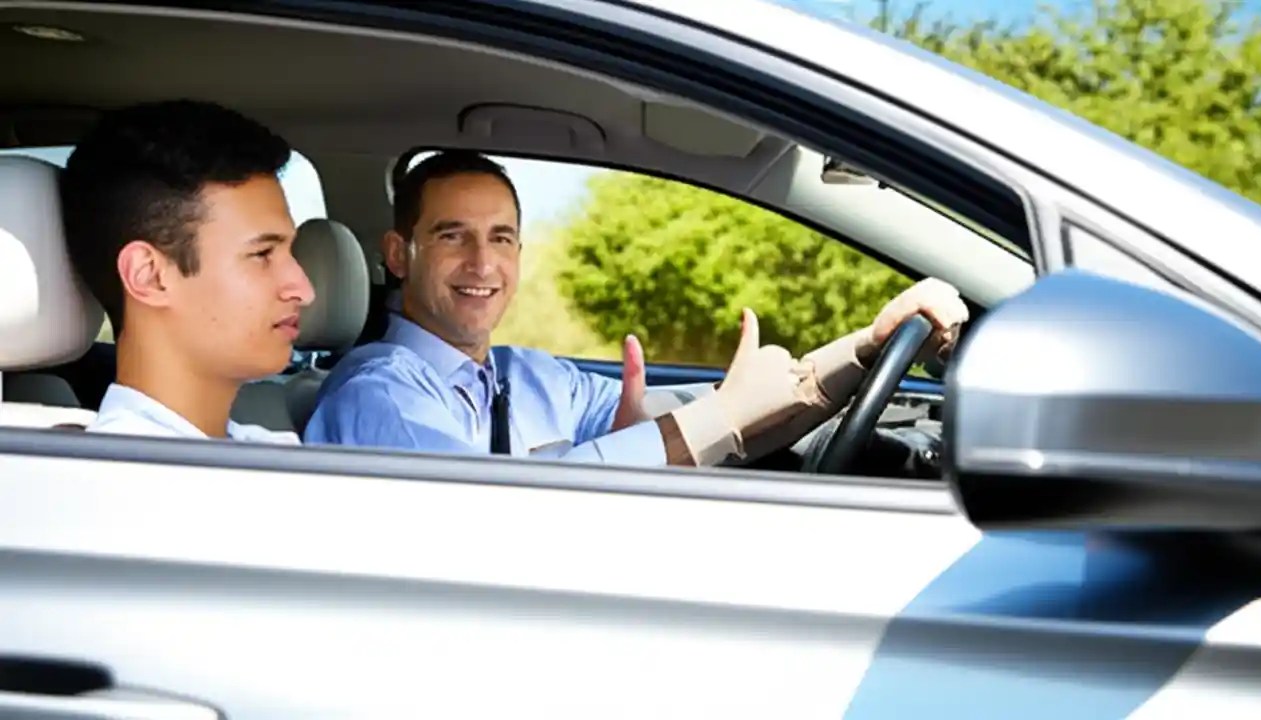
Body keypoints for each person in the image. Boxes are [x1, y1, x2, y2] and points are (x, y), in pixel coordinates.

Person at [305, 150, 967, 466]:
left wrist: (862, 349)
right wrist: (722, 417)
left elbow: (710, 422)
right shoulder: (378, 399)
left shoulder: (530, 376)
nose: (483, 264)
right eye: (453, 237)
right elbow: (503, 526)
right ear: (399, 254)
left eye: (501, 238)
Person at [61, 99, 316, 441]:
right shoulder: (107, 482)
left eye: (290, 252)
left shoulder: (272, 449)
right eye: (262, 254)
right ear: (149, 275)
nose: (303, 289)